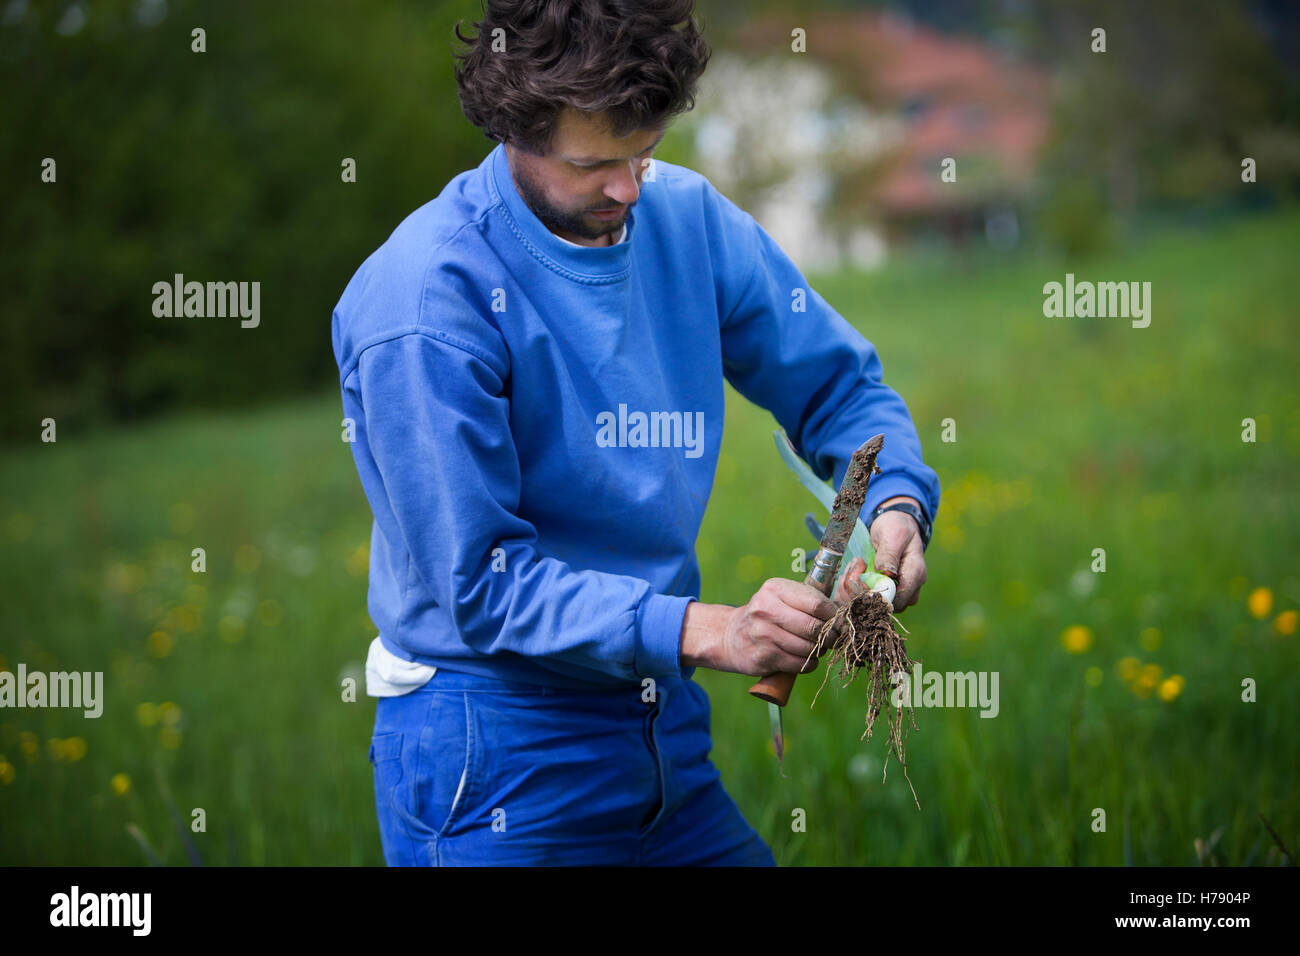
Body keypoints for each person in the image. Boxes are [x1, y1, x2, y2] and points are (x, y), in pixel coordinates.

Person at [330, 0, 940, 866]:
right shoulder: (425, 303)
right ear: (515, 128)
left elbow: (839, 389)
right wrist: (713, 631)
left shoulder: (687, 219)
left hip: (663, 728)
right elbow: (484, 586)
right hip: (495, 750)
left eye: (643, 152)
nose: (626, 188)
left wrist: (896, 501)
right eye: (594, 162)